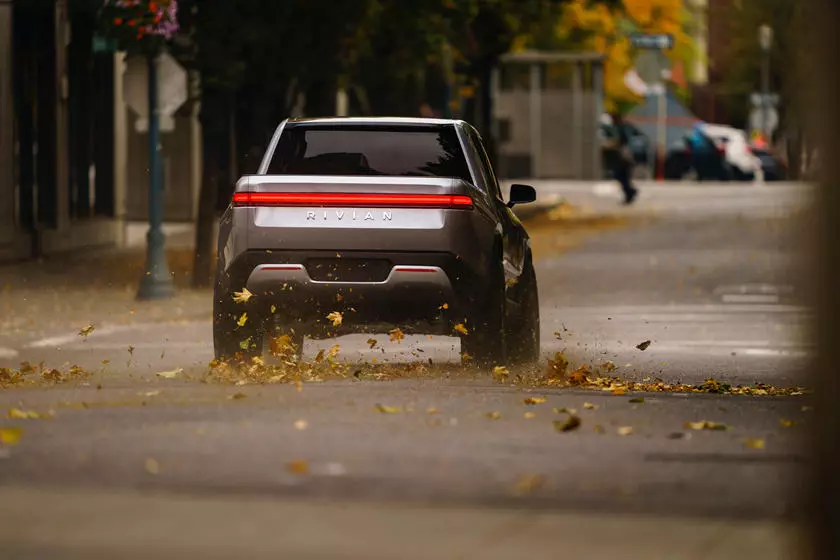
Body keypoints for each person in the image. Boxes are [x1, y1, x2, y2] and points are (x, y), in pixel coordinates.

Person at [609, 113, 638, 205]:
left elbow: (623, 141)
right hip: (625, 156)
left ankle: (631, 192)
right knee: (623, 177)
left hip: (624, 157)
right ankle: (629, 193)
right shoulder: (622, 126)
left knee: (621, 176)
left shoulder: (621, 127)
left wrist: (614, 144)